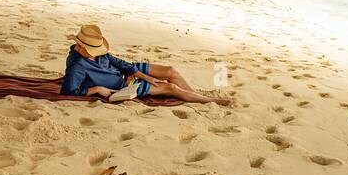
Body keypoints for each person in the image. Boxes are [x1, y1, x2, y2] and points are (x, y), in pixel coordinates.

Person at [61, 24, 230, 105]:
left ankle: (193, 95)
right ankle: (209, 100)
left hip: (128, 74)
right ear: (82, 46)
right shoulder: (77, 67)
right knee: (171, 88)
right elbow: (68, 91)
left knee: (171, 71)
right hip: (123, 86)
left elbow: (119, 62)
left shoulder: (98, 52)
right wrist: (96, 89)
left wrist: (144, 75)